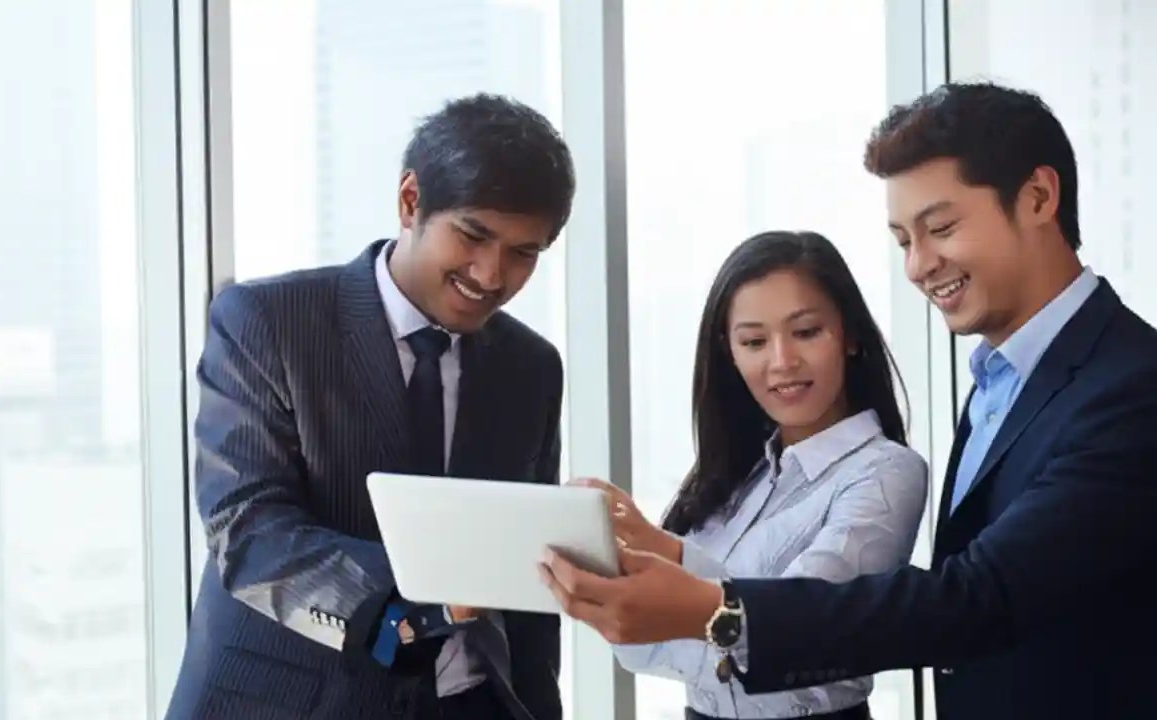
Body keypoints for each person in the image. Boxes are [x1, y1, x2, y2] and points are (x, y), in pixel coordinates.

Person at [541, 81, 1157, 719]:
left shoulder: (1132, 386)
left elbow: (982, 596)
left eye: (940, 228)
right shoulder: (1000, 381)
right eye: (902, 241)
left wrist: (710, 609)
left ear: (1037, 197)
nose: (919, 265)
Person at [166, 93, 574, 720]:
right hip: (297, 701)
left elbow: (526, 608)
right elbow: (247, 528)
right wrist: (433, 591)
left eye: (524, 253)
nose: (492, 274)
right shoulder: (268, 321)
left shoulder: (532, 366)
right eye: (473, 235)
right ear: (411, 200)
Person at [590, 230, 926, 719]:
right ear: (729, 353)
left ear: (850, 335)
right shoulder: (734, 474)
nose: (782, 362)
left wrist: (668, 562)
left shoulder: (886, 472)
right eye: (753, 341)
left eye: (807, 332)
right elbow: (646, 649)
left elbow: (800, 630)